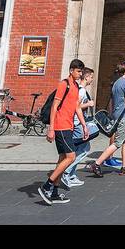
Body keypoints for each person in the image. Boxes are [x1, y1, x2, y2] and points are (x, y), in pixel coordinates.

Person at [40, 59, 92, 205]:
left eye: (81, 71)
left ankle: (54, 192)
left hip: (69, 126)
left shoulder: (75, 87)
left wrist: (84, 125)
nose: (80, 73)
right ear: (71, 70)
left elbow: (76, 107)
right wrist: (51, 128)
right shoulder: (64, 84)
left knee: (62, 159)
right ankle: (47, 186)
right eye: (78, 71)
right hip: (60, 126)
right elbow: (54, 106)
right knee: (71, 156)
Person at [90, 63, 125, 177]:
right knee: (117, 143)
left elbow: (111, 102)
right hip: (123, 117)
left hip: (117, 115)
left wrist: (112, 114)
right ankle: (96, 163)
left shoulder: (116, 83)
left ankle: (124, 167)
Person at [62, 67, 97, 186]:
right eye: (91, 77)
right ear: (86, 77)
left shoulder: (80, 89)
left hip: (77, 123)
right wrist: (88, 104)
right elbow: (75, 106)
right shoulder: (81, 91)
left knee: (79, 150)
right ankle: (66, 173)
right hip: (77, 124)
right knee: (84, 150)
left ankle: (71, 175)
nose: (92, 79)